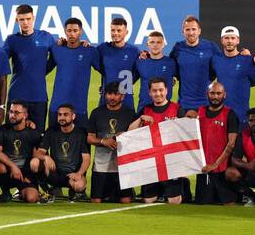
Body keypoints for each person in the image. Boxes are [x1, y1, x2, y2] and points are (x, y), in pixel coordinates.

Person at [128, 76, 190, 204]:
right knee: (149, 201)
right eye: (155, 91)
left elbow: (187, 136)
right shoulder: (145, 110)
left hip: (171, 164)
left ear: (167, 90)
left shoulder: (177, 109)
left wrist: (179, 125)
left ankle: (184, 185)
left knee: (174, 202)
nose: (158, 94)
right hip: (152, 163)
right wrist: (140, 120)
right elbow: (129, 132)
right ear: (150, 92)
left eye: (161, 90)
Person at [4, 3, 56, 131]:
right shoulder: (11, 40)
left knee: (37, 138)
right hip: (16, 96)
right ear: (17, 20)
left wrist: (42, 70)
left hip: (38, 97)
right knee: (11, 137)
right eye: (22, 19)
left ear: (33, 18)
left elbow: (57, 57)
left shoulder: (46, 37)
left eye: (28, 19)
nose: (25, 23)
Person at [86, 82, 138, 204]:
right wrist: (103, 141)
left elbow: (136, 138)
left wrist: (124, 136)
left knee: (126, 200)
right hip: (101, 166)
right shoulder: (96, 113)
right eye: (109, 93)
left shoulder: (130, 114)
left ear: (123, 96)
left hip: (122, 167)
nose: (112, 97)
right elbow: (89, 138)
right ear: (105, 95)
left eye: (116, 94)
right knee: (96, 200)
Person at [0, 100, 45, 204]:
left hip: (25, 172)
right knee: (0, 166)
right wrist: (13, 166)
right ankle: (5, 191)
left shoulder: (33, 132)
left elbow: (40, 154)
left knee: (31, 198)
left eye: (17, 112)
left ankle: (23, 191)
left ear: (25, 115)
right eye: (11, 111)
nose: (12, 115)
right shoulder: (2, 130)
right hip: (8, 171)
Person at [194, 80, 240, 205]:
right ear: (207, 94)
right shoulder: (200, 111)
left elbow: (231, 144)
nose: (215, 96)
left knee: (228, 203)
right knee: (203, 203)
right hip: (204, 168)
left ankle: (248, 194)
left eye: (218, 93)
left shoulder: (229, 114)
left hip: (221, 169)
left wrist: (216, 164)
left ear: (224, 95)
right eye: (212, 93)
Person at [49, 17, 98, 125]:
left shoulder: (90, 51)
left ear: (81, 31)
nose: (71, 34)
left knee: (81, 141)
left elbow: (104, 71)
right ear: (65, 31)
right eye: (69, 31)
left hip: (79, 108)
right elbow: (45, 69)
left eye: (75, 31)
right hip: (56, 107)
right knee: (52, 140)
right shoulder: (56, 48)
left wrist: (104, 87)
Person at [170, 15, 221, 112]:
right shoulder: (178, 47)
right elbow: (169, 66)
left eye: (194, 29)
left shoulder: (210, 47)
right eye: (187, 29)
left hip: (206, 103)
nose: (191, 32)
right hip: (184, 104)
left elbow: (224, 63)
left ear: (199, 31)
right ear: (183, 32)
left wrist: (242, 54)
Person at [41, 103, 90, 201]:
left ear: (73, 116)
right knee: (35, 163)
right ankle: (48, 190)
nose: (62, 117)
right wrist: (46, 157)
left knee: (79, 185)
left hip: (72, 174)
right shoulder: (51, 131)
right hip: (54, 173)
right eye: (59, 115)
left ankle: (74, 190)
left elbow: (86, 159)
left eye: (65, 114)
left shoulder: (81, 133)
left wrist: (79, 173)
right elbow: (39, 152)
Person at [211, 26, 255, 116]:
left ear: (238, 41)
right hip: (221, 114)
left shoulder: (247, 60)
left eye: (233, 38)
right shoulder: (215, 59)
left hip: (242, 113)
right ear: (222, 40)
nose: (230, 41)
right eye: (227, 38)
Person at [95, 15, 141, 98]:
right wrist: (82, 43)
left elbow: (141, 71)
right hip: (106, 99)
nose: (115, 33)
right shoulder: (102, 49)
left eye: (119, 30)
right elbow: (88, 55)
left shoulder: (134, 51)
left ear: (126, 32)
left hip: (126, 100)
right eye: (113, 30)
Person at [135, 30, 177, 111]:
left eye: (158, 42)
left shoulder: (171, 63)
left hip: (166, 110)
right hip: (144, 108)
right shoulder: (140, 61)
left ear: (163, 44)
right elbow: (130, 80)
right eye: (152, 42)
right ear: (147, 44)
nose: (155, 45)